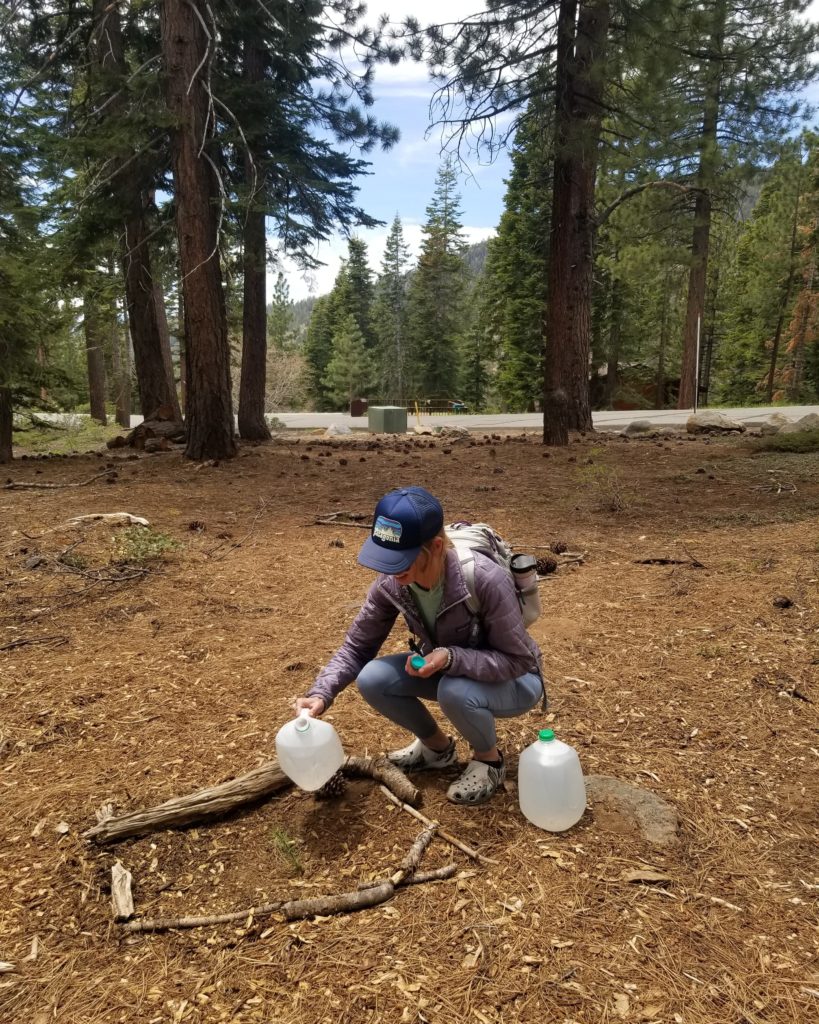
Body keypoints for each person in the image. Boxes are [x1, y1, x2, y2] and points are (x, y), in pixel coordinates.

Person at [295, 486, 544, 804]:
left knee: (453, 690)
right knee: (373, 678)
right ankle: (436, 750)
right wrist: (320, 693)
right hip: (451, 669)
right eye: (384, 557)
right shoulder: (392, 583)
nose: (389, 569)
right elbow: (358, 646)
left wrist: (451, 657)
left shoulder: (484, 579)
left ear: (436, 547)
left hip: (517, 680)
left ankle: (489, 761)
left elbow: (518, 660)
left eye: (401, 559)